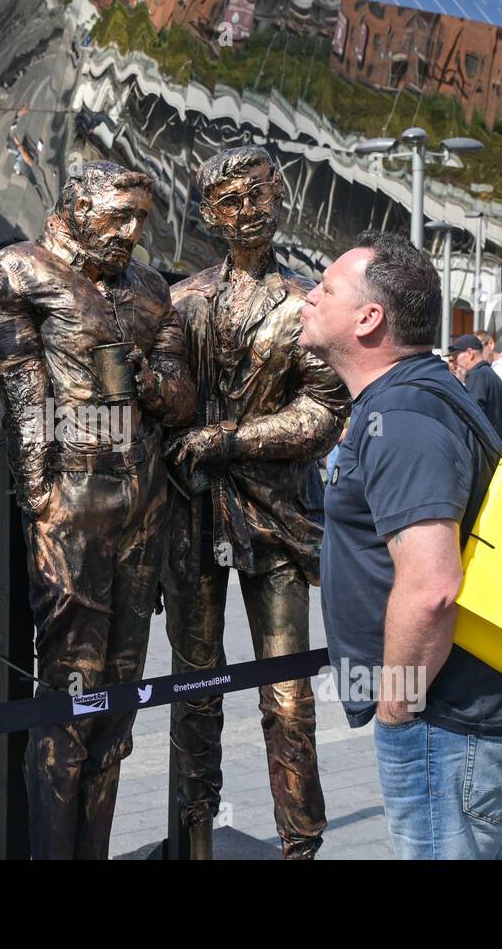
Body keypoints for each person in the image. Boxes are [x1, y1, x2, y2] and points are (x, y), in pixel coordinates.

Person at [299, 229, 502, 860]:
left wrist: (397, 705)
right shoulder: (420, 392)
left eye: (326, 288)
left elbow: (431, 589)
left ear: (369, 319)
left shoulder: (406, 421)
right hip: (476, 710)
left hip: (446, 721)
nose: (310, 297)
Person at [0, 160, 194, 859]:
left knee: (119, 702)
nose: (131, 232)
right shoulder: (19, 271)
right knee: (68, 695)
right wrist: (40, 496)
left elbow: (183, 396)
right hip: (72, 502)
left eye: (140, 220)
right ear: (74, 205)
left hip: (143, 508)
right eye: (117, 216)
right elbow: (19, 388)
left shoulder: (153, 289)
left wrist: (144, 379)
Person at [162, 146, 349, 860]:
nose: (247, 210)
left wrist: (231, 438)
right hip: (192, 514)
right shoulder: (179, 301)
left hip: (276, 519)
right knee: (195, 688)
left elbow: (324, 411)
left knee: (288, 693)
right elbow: (162, 405)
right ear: (209, 216)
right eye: (230, 201)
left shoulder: (307, 304)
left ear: (281, 199)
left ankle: (300, 841)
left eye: (258, 194)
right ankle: (196, 833)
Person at [449, 334, 502, 434]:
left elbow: (470, 415)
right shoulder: (488, 374)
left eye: (456, 356)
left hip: (482, 446)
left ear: (470, 353)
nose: (454, 362)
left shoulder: (478, 375)